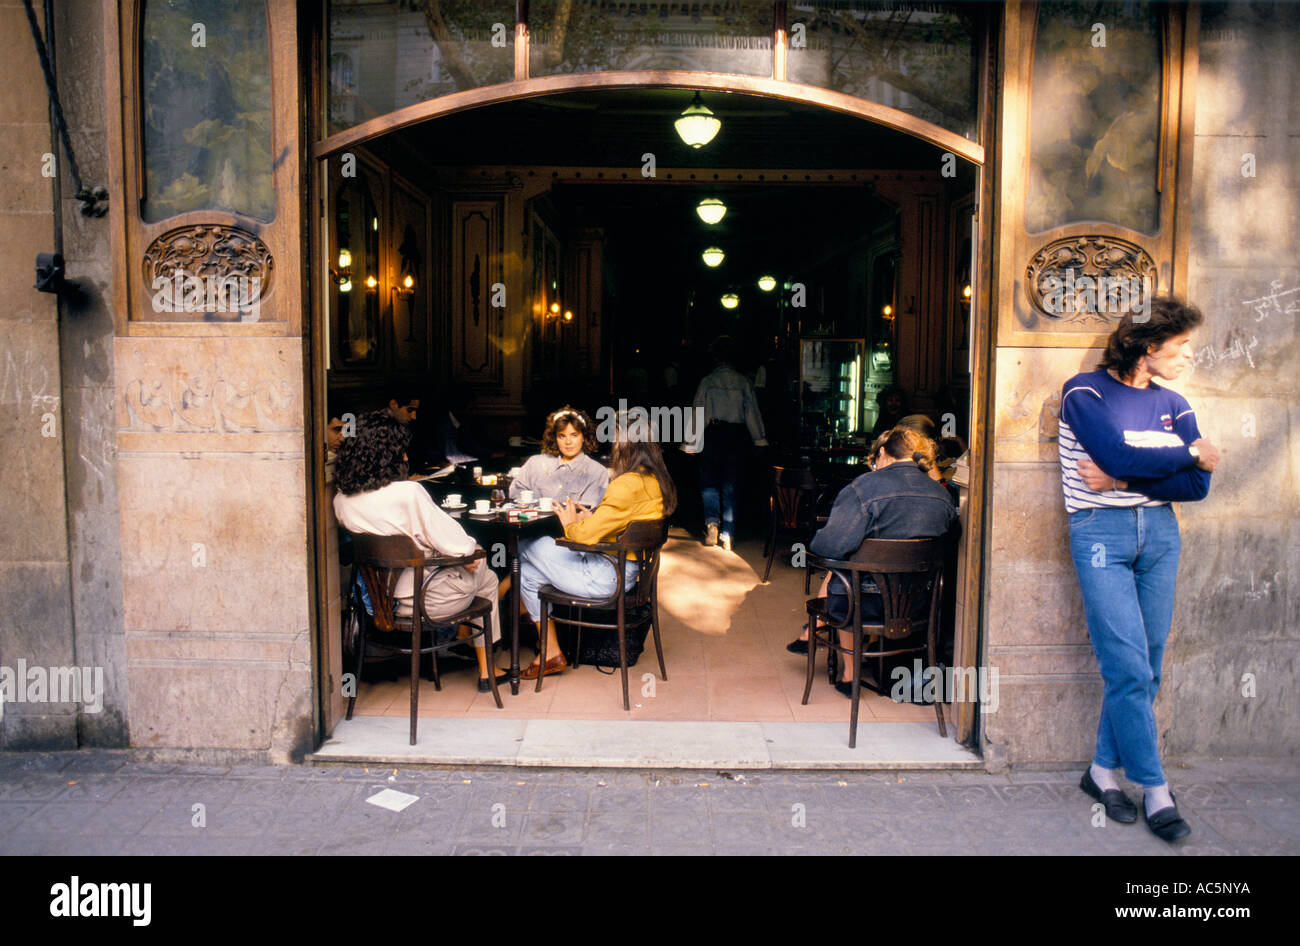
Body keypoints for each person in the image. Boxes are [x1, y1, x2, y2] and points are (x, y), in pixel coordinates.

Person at [1059, 298, 1219, 843]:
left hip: (1161, 535)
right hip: (1100, 534)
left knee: (1145, 663)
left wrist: (1125, 481)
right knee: (1127, 665)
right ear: (1148, 348)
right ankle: (1155, 789)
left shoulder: (1175, 401)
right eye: (1181, 346)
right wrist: (1190, 455)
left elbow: (1196, 487)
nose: (1190, 355)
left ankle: (1102, 771)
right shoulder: (1084, 392)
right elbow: (1122, 455)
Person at [332, 411, 503, 692]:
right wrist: (470, 555)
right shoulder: (407, 493)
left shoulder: (341, 501)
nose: (406, 457)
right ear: (390, 455)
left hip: (378, 606)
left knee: (471, 561)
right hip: (427, 602)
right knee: (485, 572)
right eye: (401, 451)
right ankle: (487, 671)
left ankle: (462, 639)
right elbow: (458, 545)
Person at [793, 427, 959, 696]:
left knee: (846, 572)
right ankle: (875, 658)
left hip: (862, 604)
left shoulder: (863, 488)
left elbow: (827, 546)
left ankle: (851, 675)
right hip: (919, 606)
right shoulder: (942, 496)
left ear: (882, 453)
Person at [514, 414, 677, 680]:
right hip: (628, 574)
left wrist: (570, 522)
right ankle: (551, 652)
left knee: (527, 544)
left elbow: (581, 539)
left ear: (624, 446)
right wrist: (592, 519)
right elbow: (619, 522)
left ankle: (507, 610)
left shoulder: (625, 484)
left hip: (606, 577)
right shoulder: (654, 482)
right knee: (530, 576)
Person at [682, 335, 768, 551]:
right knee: (732, 485)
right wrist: (759, 439)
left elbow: (698, 413)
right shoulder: (744, 382)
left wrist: (691, 442)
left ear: (715, 357)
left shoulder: (708, 382)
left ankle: (712, 523)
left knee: (709, 482)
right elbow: (752, 413)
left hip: (713, 435)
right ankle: (728, 534)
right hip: (737, 437)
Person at [508, 406, 609, 508]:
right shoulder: (535, 463)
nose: (568, 442)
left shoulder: (598, 472)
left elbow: (588, 511)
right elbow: (515, 493)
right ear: (555, 438)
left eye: (574, 435)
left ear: (584, 437)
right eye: (562, 436)